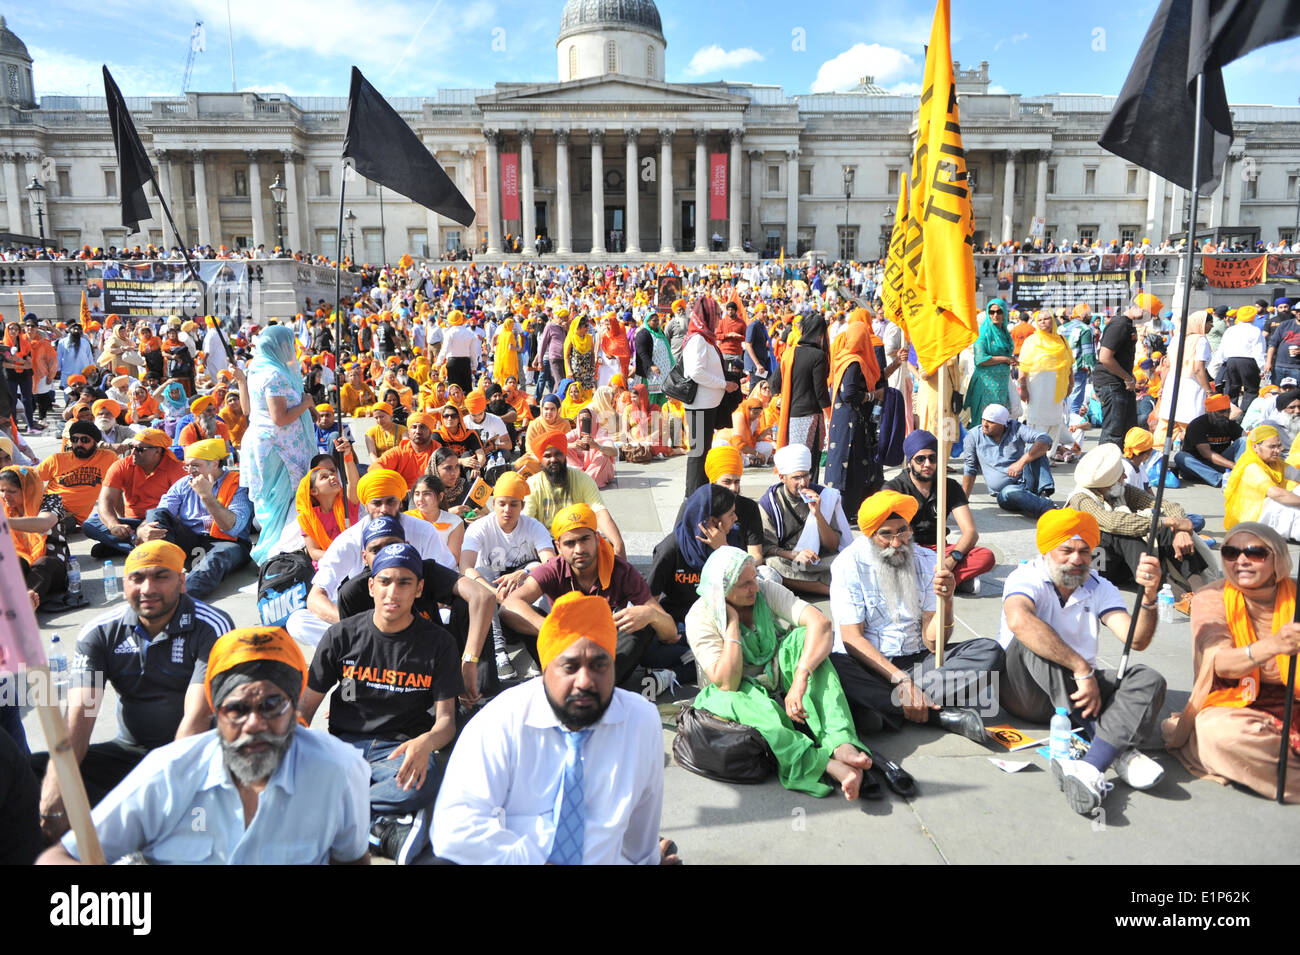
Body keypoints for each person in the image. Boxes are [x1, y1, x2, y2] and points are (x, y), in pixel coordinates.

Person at [38, 625, 370, 865]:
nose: (254, 724)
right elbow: (63, 856)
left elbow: (353, 860)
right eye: (237, 709)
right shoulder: (169, 771)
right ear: (216, 710)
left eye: (271, 706)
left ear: (293, 705)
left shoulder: (339, 769)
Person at [432, 592, 669, 865]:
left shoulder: (641, 721)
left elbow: (639, 842)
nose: (585, 681)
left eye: (599, 665)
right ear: (545, 670)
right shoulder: (501, 721)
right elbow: (455, 831)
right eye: (570, 666)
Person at [32, 541, 233, 842]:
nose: (147, 588)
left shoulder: (211, 626)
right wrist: (55, 797)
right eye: (137, 578)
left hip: (196, 759)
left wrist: (161, 797)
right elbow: (79, 721)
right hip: (130, 755)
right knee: (34, 771)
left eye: (161, 576)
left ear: (181, 582)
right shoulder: (99, 634)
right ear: (124, 583)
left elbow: (196, 718)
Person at [298, 542, 462, 864]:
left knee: (427, 778)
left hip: (399, 749)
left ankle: (332, 815)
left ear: (419, 589)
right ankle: (381, 828)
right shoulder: (342, 635)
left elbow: (446, 722)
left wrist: (425, 743)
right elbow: (304, 709)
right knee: (290, 771)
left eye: (404, 583)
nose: (393, 592)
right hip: (343, 747)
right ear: (371, 585)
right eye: (385, 581)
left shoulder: (439, 643)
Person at [999, 509, 1168, 816]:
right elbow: (1018, 621)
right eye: (1066, 550)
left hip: (1079, 692)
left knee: (1147, 678)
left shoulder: (1099, 586)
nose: (1077, 559)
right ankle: (1114, 745)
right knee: (1032, 639)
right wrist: (1082, 669)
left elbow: (1137, 640)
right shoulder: (1026, 576)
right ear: (1047, 551)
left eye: (1084, 552)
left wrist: (1149, 596)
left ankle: (1091, 767)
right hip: (1024, 690)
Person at [684, 545, 873, 798]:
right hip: (738, 690)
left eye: (754, 579)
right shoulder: (700, 616)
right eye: (745, 585)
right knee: (747, 704)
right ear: (722, 591)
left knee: (805, 638)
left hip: (778, 673)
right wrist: (731, 624)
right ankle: (825, 764)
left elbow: (822, 624)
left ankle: (841, 743)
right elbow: (727, 682)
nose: (754, 587)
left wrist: (800, 679)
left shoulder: (764, 590)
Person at [827, 491, 1002, 740]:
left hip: (918, 664)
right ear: (869, 535)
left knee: (989, 650)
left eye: (903, 531)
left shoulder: (927, 560)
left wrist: (947, 601)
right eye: (886, 534)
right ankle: (935, 714)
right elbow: (852, 639)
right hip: (867, 665)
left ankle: (886, 708)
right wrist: (899, 681)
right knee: (832, 665)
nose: (897, 542)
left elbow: (933, 643)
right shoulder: (848, 564)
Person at [1165, 523, 1300, 802]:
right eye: (1230, 552)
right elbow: (1219, 662)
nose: (1241, 560)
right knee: (1219, 735)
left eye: (1255, 553)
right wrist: (1273, 646)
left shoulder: (1296, 595)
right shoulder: (1212, 598)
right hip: (1238, 703)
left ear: (1278, 558)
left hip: (1295, 697)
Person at [501, 504, 675, 688]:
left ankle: (587, 683)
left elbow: (670, 632)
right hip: (565, 648)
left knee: (642, 625)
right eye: (570, 543)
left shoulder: (623, 571)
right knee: (524, 613)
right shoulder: (553, 569)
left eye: (585, 539)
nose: (579, 549)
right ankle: (573, 680)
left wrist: (651, 615)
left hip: (606, 657)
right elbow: (508, 606)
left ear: (597, 538)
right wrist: (548, 627)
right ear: (558, 547)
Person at [287, 469, 457, 647]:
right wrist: (359, 625)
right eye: (377, 503)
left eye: (390, 501)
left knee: (448, 617)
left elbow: (445, 584)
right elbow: (315, 597)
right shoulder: (350, 539)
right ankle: (365, 643)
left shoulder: (425, 531)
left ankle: (367, 645)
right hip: (363, 616)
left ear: (400, 502)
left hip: (413, 613)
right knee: (298, 621)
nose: (384, 509)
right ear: (366, 506)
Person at [1067, 443, 1212, 597]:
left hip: (1123, 564)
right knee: (1126, 532)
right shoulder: (1081, 498)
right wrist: (1166, 522)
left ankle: (1201, 592)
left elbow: (1164, 505)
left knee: (1166, 527)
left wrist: (1180, 529)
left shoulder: (1121, 490)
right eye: (1121, 475)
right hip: (1096, 566)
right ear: (1108, 481)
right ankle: (1178, 597)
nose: (1124, 477)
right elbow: (1113, 522)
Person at [459, 471, 557, 682]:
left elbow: (550, 562)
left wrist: (523, 573)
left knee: (537, 569)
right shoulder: (479, 528)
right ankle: (498, 651)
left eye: (514, 504)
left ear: (522, 506)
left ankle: (543, 647)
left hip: (523, 594)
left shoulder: (533, 526)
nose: (507, 510)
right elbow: (465, 566)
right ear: (493, 504)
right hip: (494, 595)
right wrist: (493, 593)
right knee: (481, 575)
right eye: (502, 503)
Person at [137, 438, 252, 598]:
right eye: (187, 465)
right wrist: (143, 530)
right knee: (155, 515)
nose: (190, 471)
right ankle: (160, 574)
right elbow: (160, 512)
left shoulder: (237, 484)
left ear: (215, 463)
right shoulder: (183, 484)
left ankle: (177, 598)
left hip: (227, 543)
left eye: (195, 465)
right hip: (192, 540)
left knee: (218, 557)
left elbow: (232, 528)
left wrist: (207, 496)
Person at [884, 430, 995, 594]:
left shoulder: (949, 486)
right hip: (907, 549)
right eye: (920, 459)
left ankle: (926, 582)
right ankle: (949, 582)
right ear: (909, 462)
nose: (927, 464)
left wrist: (953, 559)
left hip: (939, 551)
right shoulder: (893, 488)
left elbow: (970, 532)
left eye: (932, 458)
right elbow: (885, 536)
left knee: (985, 556)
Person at [242, 324, 316, 566]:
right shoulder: (274, 375)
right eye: (287, 345)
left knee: (274, 503)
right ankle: (273, 554)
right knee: (281, 503)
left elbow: (250, 410)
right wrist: (306, 404)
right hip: (279, 450)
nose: (290, 350)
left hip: (269, 446)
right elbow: (280, 417)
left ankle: (276, 550)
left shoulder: (256, 370)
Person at [758, 443, 853, 596]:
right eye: (796, 477)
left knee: (849, 561)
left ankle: (809, 584)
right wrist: (793, 555)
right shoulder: (770, 503)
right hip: (792, 562)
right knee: (770, 565)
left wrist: (817, 514)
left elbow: (833, 546)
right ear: (782, 477)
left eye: (806, 475)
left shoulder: (825, 496)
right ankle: (827, 589)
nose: (803, 483)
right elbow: (766, 548)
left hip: (820, 561)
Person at [523, 432, 626, 557]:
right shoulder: (532, 485)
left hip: (579, 539)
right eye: (547, 456)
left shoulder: (583, 479)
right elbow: (527, 523)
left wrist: (618, 544)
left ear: (565, 455)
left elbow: (600, 513)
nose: (553, 460)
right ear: (540, 460)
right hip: (547, 544)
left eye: (558, 454)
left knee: (608, 546)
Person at [823, 322, 881, 518]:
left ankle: (843, 509)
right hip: (852, 422)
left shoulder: (842, 357)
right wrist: (873, 396)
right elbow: (849, 394)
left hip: (842, 420)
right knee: (853, 461)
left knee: (842, 460)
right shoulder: (855, 362)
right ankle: (850, 510)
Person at [961, 403, 1056, 517]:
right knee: (1011, 492)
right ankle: (1049, 510)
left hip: (1027, 480)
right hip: (1005, 493)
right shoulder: (973, 436)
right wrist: (962, 502)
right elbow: (970, 468)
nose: (985, 424)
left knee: (1036, 447)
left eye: (991, 422)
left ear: (1003, 424)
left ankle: (1044, 494)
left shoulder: (1015, 427)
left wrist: (1021, 462)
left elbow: (1045, 439)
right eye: (983, 420)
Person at [682, 296, 734, 495]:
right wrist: (723, 384)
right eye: (717, 315)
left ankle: (701, 493)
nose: (720, 319)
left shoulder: (705, 337)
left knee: (704, 452)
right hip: (699, 406)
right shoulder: (697, 339)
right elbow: (695, 372)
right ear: (708, 316)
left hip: (707, 405)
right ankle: (692, 497)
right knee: (698, 454)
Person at [2, 464, 72, 611]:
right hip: (23, 563)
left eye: (12, 491)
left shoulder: (50, 501)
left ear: (28, 490)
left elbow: (44, 524)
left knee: (44, 563)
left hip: (53, 567)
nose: (5, 496)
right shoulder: (4, 507)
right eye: (2, 490)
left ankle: (24, 603)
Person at [1094, 296, 1159, 448]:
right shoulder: (1120, 324)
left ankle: (1124, 466)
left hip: (1121, 383)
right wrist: (1127, 378)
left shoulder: (1128, 325)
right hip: (1111, 382)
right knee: (1114, 432)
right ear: (1138, 308)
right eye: (1148, 313)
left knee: (1128, 428)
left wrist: (1129, 378)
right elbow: (1105, 357)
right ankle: (1104, 467)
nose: (1147, 318)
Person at [776, 311, 832, 485]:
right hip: (811, 415)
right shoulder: (818, 356)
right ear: (821, 334)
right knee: (808, 463)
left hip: (791, 414)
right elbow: (820, 391)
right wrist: (829, 415)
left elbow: (775, 382)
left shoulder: (789, 353)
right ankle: (808, 498)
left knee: (795, 462)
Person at [1223, 424, 1300, 540]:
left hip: (1268, 507)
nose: (1277, 451)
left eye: (1279, 446)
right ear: (1255, 447)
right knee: (1287, 507)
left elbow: (1297, 475)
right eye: (1272, 447)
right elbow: (1276, 494)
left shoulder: (1275, 463)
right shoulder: (1251, 467)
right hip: (1251, 517)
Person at [35, 419, 118, 525]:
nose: (79, 444)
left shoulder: (108, 457)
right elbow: (29, 478)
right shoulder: (57, 459)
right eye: (74, 439)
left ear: (95, 442)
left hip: (72, 517)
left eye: (85, 440)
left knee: (48, 527)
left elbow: (124, 477)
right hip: (48, 504)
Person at [1016, 309, 1072, 453]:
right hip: (1036, 387)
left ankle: (1049, 454)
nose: (1043, 322)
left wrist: (1070, 383)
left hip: (1056, 387)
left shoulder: (1062, 340)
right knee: (1037, 420)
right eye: (1039, 320)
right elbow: (1023, 367)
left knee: (1055, 420)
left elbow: (1069, 364)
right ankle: (1034, 454)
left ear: (1052, 320)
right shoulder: (1031, 341)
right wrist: (1023, 388)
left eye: (1046, 319)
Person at [1153, 310, 1212, 444]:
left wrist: (1162, 386)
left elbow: (1167, 366)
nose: (1211, 327)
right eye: (1210, 323)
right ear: (1201, 324)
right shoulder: (1200, 341)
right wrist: (1209, 391)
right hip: (1191, 387)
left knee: (1166, 427)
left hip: (1172, 384)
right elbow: (1198, 368)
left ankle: (1156, 459)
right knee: (1191, 427)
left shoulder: (1177, 338)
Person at [962, 299, 1015, 427]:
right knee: (984, 421)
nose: (995, 315)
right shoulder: (983, 333)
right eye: (991, 312)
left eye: (999, 312)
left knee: (999, 421)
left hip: (1001, 385)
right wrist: (1005, 359)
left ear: (1005, 314)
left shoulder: (1005, 333)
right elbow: (980, 359)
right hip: (986, 384)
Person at [1172, 393, 1244, 486]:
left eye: (1228, 411)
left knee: (1244, 441)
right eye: (1222, 411)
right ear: (1211, 412)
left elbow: (1248, 440)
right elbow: (1206, 454)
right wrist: (1233, 465)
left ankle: (1242, 473)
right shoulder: (1197, 425)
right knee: (1180, 456)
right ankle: (1220, 480)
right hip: (1197, 467)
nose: (1226, 415)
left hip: (1220, 464)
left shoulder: (1229, 424)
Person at [297, 462, 361, 563]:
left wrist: (347, 456)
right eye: (324, 477)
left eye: (332, 474)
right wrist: (338, 556)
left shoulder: (347, 504)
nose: (332, 477)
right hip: (328, 566)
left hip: (355, 561)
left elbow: (354, 483)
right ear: (314, 491)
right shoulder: (308, 518)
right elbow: (313, 551)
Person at [1217, 305, 1266, 414]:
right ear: (1253, 317)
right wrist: (1262, 368)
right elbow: (1258, 350)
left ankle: (1231, 412)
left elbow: (1223, 347)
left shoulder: (1231, 330)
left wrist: (1222, 362)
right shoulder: (1255, 330)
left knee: (1232, 388)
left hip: (1231, 360)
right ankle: (1244, 413)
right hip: (1248, 361)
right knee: (1251, 390)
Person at [375, 411, 441, 487]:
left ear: (430, 432)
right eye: (414, 427)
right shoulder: (399, 452)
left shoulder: (439, 452)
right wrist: (392, 483)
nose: (418, 431)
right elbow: (375, 467)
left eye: (422, 427)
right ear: (409, 432)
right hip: (403, 495)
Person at [565, 406, 618, 488]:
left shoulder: (600, 432)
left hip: (598, 470)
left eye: (587, 420)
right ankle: (581, 477)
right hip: (580, 468)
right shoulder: (576, 432)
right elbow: (557, 444)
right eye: (581, 420)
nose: (584, 423)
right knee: (565, 449)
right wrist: (573, 445)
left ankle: (585, 482)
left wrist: (596, 446)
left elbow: (614, 452)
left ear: (593, 420)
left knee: (603, 455)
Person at [436, 309, 483, 393]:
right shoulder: (469, 333)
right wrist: (474, 366)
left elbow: (444, 349)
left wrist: (438, 363)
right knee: (467, 390)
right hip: (465, 362)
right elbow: (473, 353)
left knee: (454, 390)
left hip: (453, 363)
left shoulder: (449, 333)